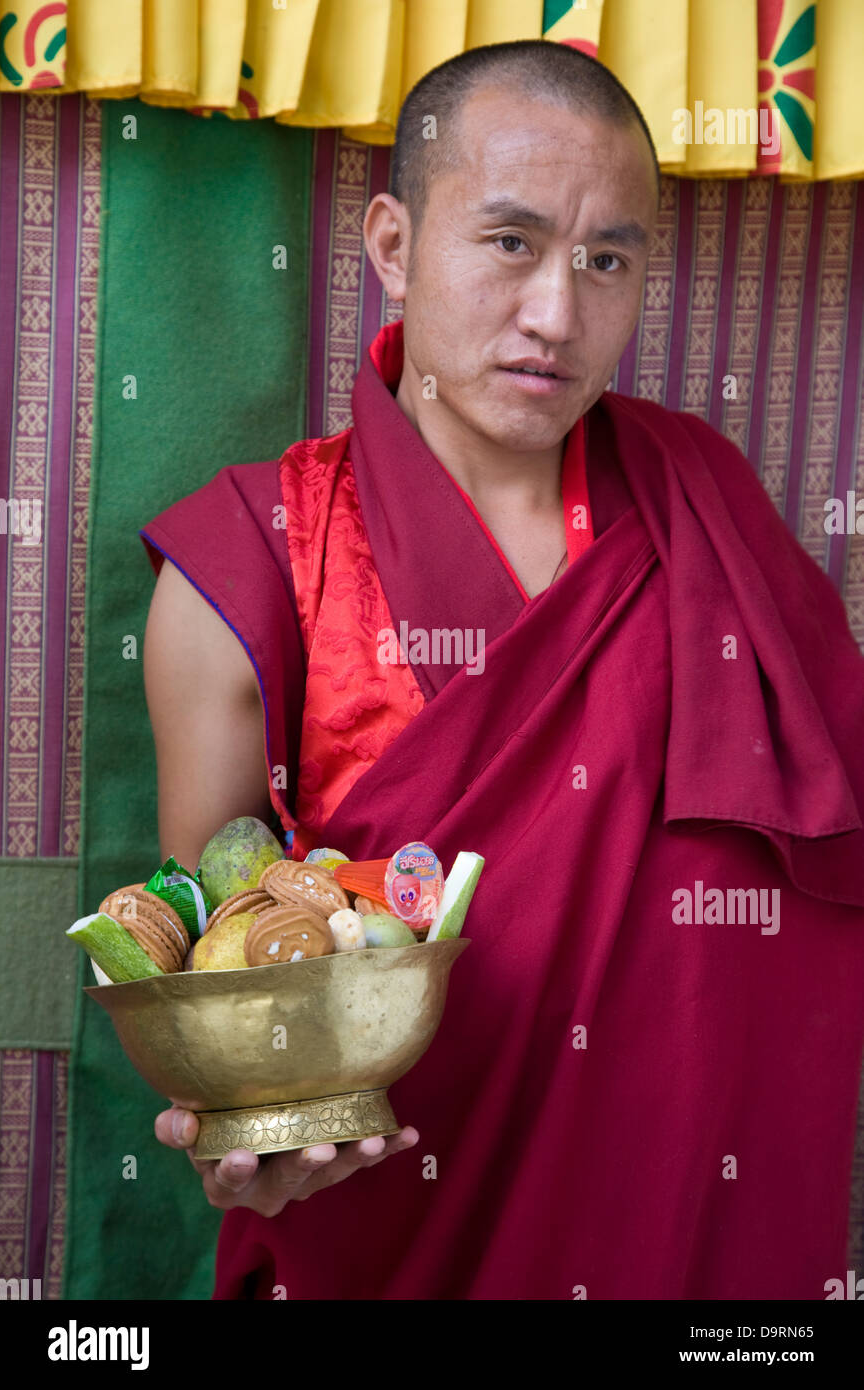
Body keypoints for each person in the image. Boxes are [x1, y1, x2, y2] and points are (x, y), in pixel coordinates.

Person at [140, 40, 864, 1299]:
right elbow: (209, 965)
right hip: (378, 1231)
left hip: (677, 1242)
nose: (555, 317)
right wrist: (247, 1135)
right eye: (509, 242)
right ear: (391, 247)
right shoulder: (248, 565)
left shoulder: (703, 508)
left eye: (606, 260)